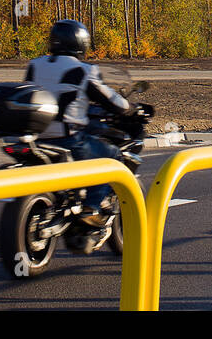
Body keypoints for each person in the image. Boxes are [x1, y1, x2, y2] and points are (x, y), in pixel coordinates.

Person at [25, 19, 133, 224]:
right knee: (113, 157)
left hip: (37, 138)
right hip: (68, 140)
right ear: (81, 43)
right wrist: (129, 107)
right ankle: (91, 207)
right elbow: (110, 100)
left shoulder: (35, 65)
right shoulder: (84, 70)